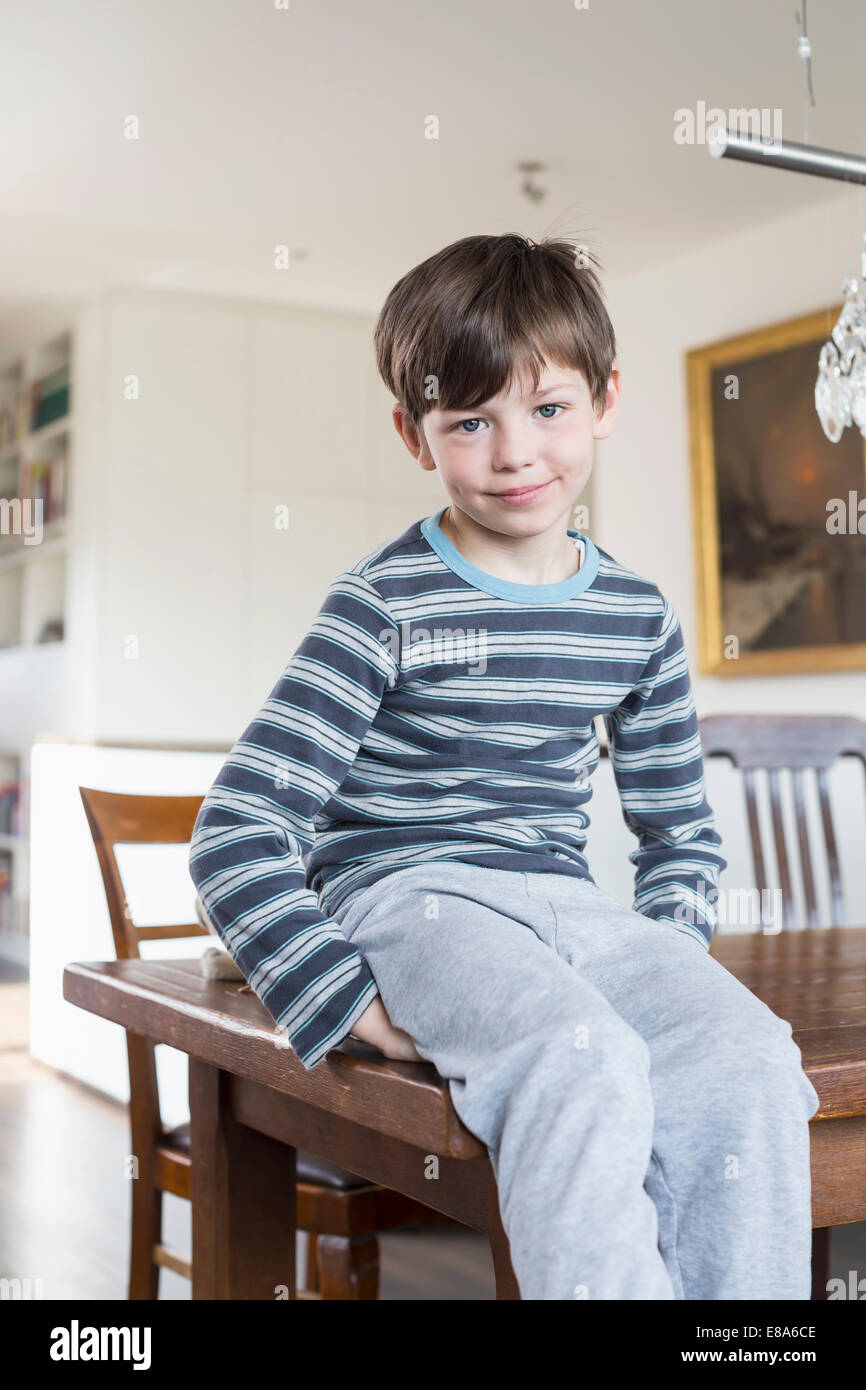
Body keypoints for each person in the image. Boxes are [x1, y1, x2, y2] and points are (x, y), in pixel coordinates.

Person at [188, 233, 820, 1299]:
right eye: (470, 422)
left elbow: (678, 830)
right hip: (411, 899)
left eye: (548, 408)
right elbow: (237, 831)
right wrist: (341, 1001)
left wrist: (661, 957)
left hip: (568, 904)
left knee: (747, 1054)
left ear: (604, 400)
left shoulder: (637, 616)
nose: (516, 453)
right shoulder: (379, 605)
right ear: (414, 433)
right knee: (579, 1057)